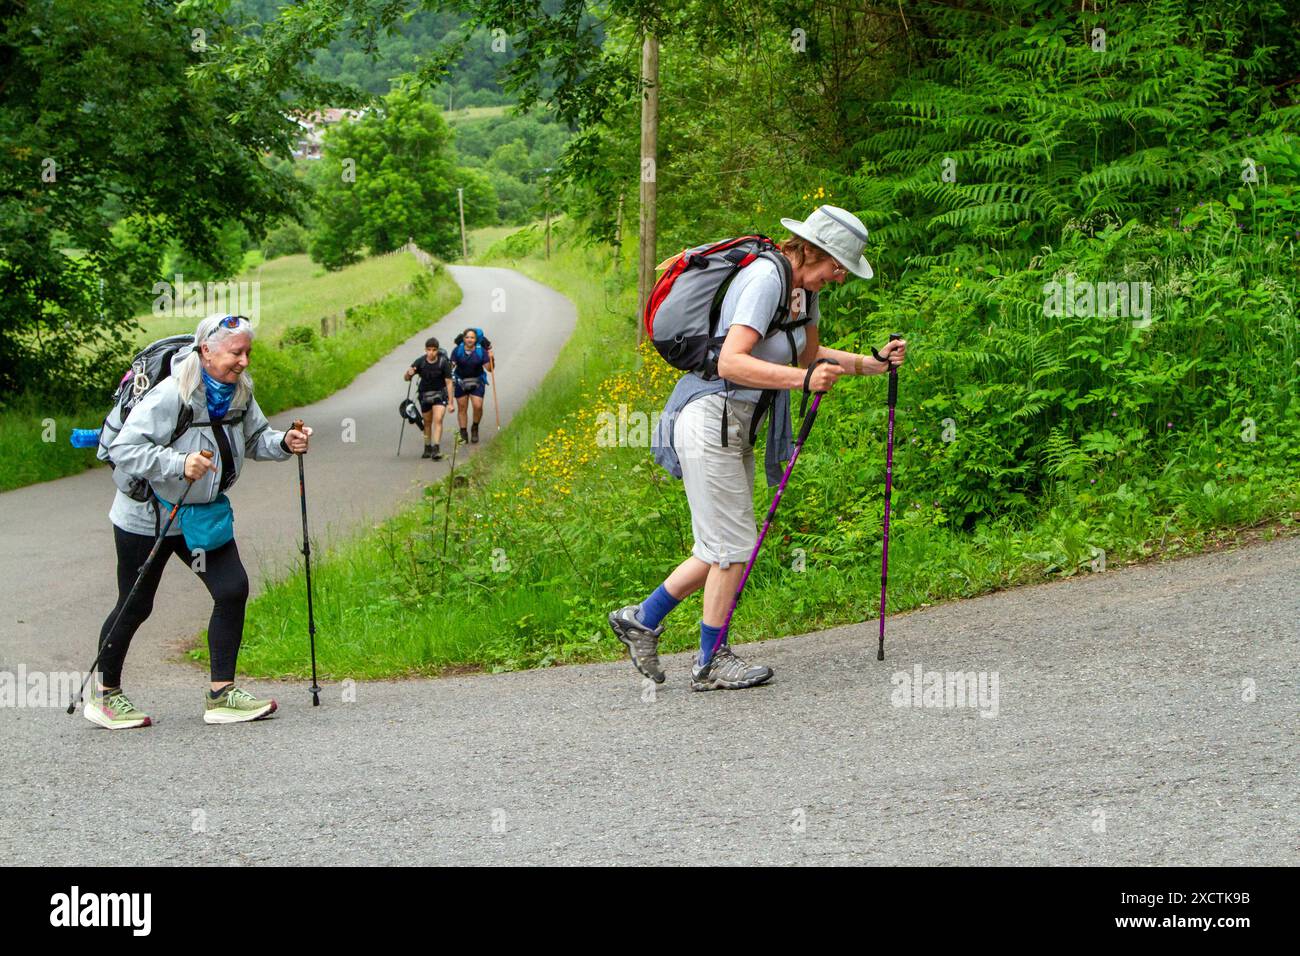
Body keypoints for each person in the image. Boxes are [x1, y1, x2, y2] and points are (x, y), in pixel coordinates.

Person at [610, 205, 907, 691]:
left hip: (738, 424)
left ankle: (642, 618)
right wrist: (803, 380)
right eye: (838, 266)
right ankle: (709, 662)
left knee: (719, 545)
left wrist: (871, 364)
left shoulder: (803, 292)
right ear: (814, 251)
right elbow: (731, 362)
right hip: (709, 416)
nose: (840, 277)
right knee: (732, 547)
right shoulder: (766, 279)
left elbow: (809, 355)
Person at [86, 313, 312, 729]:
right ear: (206, 351)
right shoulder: (173, 393)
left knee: (231, 589)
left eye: (248, 352)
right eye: (235, 352)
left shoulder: (239, 390)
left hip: (201, 515)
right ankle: (104, 695)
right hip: (147, 515)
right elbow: (124, 448)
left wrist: (283, 442)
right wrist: (178, 462)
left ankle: (221, 693)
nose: (244, 361)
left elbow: (254, 437)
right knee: (135, 604)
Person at [404, 336, 454, 459]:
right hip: (424, 395)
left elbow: (449, 383)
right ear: (425, 350)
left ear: (438, 350)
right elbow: (406, 378)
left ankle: (436, 448)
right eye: (429, 349)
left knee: (438, 419)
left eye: (434, 350)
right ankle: (427, 447)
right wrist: (408, 374)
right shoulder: (420, 362)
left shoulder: (443, 363)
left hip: (439, 394)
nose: (431, 352)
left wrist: (451, 403)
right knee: (427, 422)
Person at [450, 327, 493, 444]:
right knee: (462, 408)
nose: (469, 340)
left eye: (472, 337)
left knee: (478, 406)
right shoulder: (457, 351)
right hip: (460, 381)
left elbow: (489, 369)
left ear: (476, 339)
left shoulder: (481, 351)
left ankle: (475, 427)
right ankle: (463, 432)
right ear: (464, 339)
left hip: (477, 381)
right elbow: (451, 366)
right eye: (467, 337)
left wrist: (491, 357)